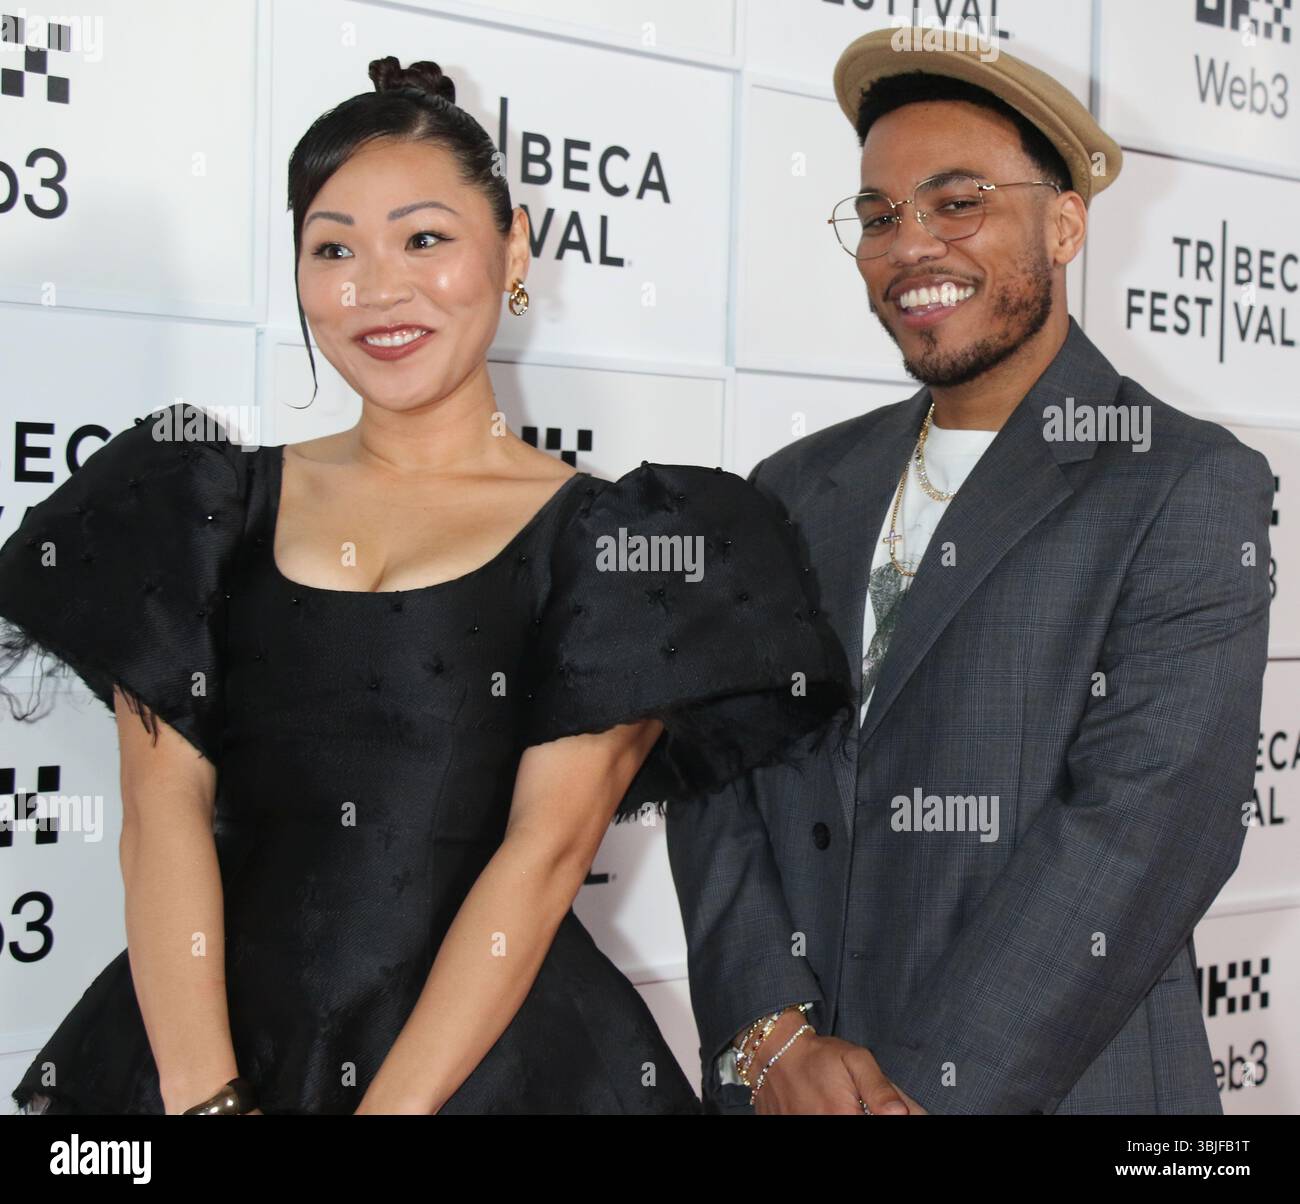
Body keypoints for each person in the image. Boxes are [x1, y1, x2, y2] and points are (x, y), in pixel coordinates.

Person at [0, 56, 852, 1115]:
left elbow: (542, 861)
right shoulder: (201, 504)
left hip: (486, 1062)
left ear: (515, 245)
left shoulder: (615, 545)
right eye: (333, 248)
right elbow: (158, 810)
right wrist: (204, 1099)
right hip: (190, 1046)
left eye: (424, 238)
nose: (376, 286)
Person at [666, 29, 1273, 1115]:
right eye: (879, 214)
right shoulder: (792, 485)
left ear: (1065, 223)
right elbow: (716, 772)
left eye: (958, 203)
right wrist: (770, 1038)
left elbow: (1142, 835)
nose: (910, 246)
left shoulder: (1184, 483)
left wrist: (923, 1094)